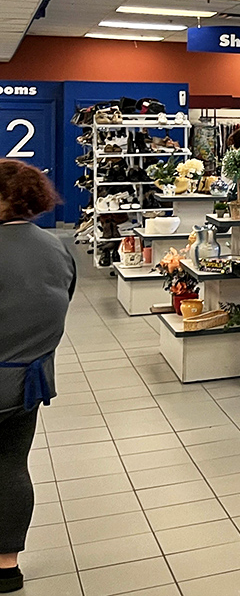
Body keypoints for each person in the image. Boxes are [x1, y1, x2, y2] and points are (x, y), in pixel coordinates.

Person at [0, 160, 76, 594]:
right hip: (28, 381)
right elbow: (62, 300)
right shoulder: (57, 247)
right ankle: (7, 565)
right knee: (11, 466)